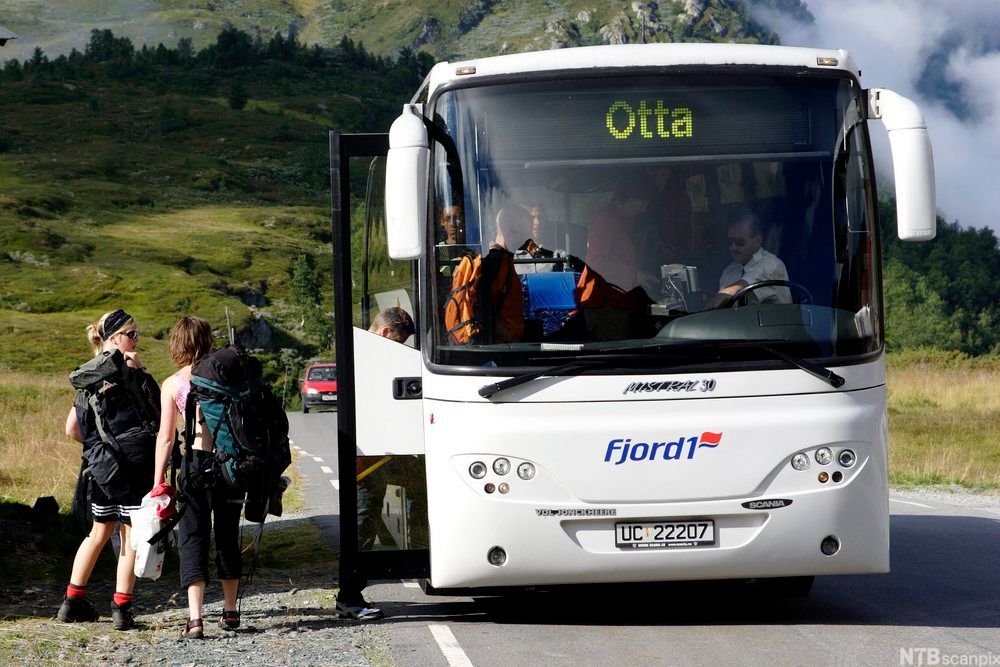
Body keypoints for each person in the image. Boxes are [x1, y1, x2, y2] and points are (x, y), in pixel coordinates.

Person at [59, 308, 160, 631]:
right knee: (129, 536)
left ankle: (72, 602)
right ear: (115, 338)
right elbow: (159, 422)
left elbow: (72, 429)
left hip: (103, 468)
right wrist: (141, 373)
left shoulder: (89, 379)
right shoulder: (136, 377)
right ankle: (121, 608)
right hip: (135, 468)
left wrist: (98, 449)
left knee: (98, 532)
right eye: (132, 334)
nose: (137, 339)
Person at [151, 316, 243, 640]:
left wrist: (158, 480)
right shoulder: (228, 374)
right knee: (228, 534)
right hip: (230, 464)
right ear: (207, 341)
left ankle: (195, 618)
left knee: (193, 536)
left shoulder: (173, 384)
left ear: (177, 344)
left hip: (195, 464)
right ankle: (230, 610)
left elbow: (166, 438)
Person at [336, 307, 417, 622]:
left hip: (375, 461)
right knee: (362, 529)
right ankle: (349, 598)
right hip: (365, 465)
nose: (399, 349)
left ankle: (353, 594)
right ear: (385, 333)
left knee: (369, 526)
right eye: (398, 342)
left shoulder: (359, 356)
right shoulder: (366, 360)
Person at [707, 213, 791, 308]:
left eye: (739, 242)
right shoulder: (729, 271)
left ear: (757, 240)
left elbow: (735, 291)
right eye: (730, 242)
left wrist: (706, 312)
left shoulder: (771, 264)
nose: (733, 248)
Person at [586, 177, 654, 290]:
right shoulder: (606, 219)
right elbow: (596, 264)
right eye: (642, 204)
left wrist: (640, 274)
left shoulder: (624, 221)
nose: (643, 210)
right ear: (631, 198)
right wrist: (633, 275)